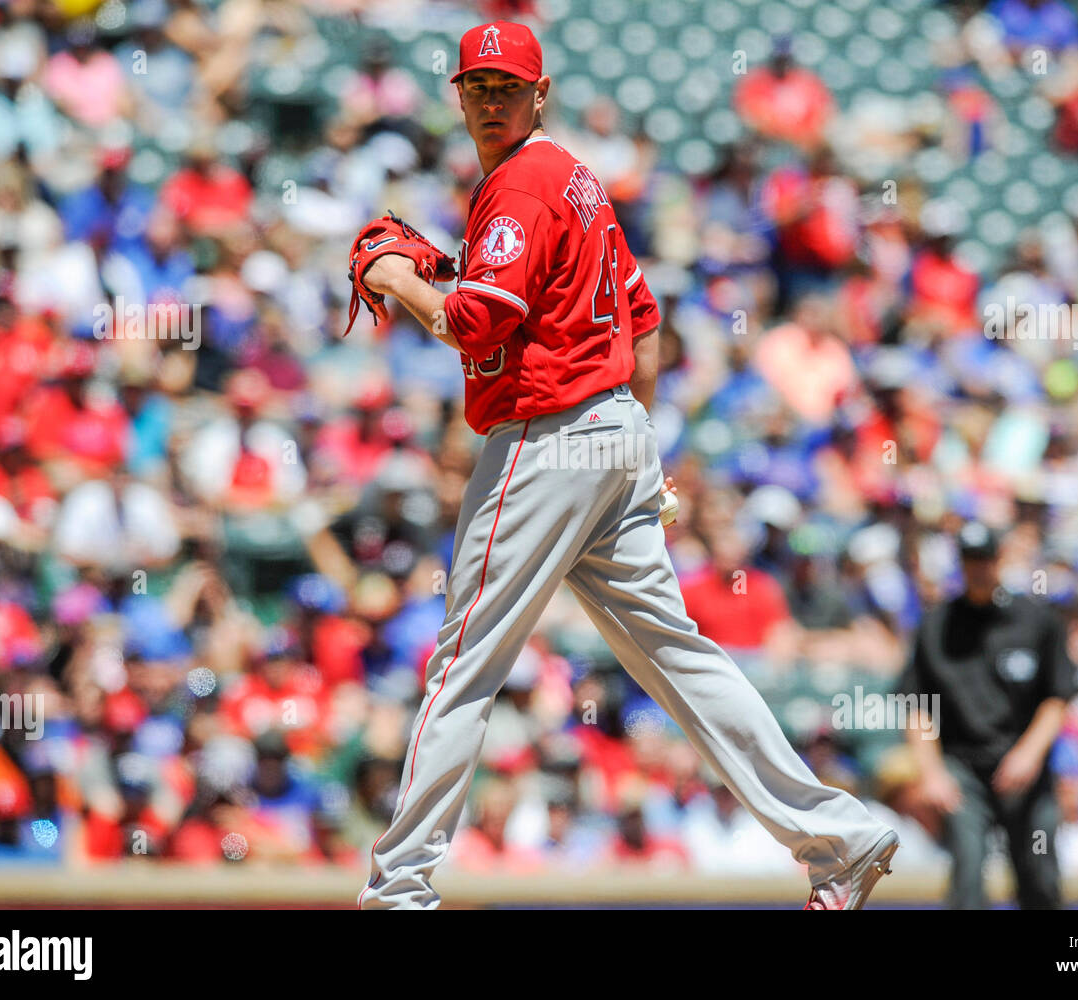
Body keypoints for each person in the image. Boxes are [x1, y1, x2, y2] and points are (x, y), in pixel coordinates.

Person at [353, 20, 897, 910]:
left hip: (548, 438)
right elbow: (642, 319)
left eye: (506, 87)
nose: (490, 102)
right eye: (476, 88)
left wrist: (393, 278)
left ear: (540, 92)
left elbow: (471, 322)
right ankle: (839, 835)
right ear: (458, 95)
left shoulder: (523, 184)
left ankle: (398, 889)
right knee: (676, 653)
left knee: (462, 666)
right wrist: (636, 443)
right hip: (610, 431)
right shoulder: (576, 177)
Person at [902, 521, 1078, 909]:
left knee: (1039, 869)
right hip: (963, 768)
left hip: (1024, 768)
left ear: (999, 560)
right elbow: (917, 704)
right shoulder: (937, 625)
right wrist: (932, 773)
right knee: (968, 866)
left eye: (984, 559)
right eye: (969, 560)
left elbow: (1058, 696)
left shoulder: (1036, 621)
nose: (977, 568)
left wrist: (1028, 755)